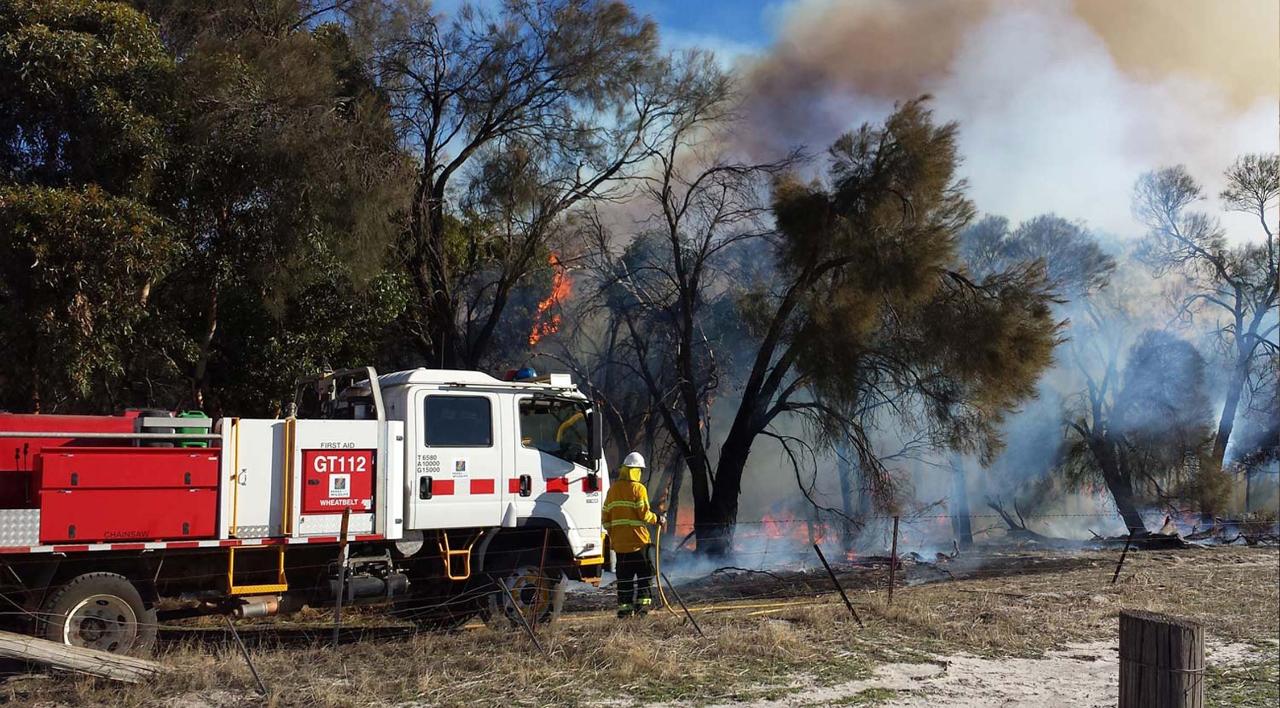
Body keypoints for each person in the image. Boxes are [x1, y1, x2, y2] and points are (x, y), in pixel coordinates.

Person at [602, 451, 663, 618]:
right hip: (639, 544)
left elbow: (605, 518)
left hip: (620, 547)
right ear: (635, 471)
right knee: (645, 577)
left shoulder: (613, 490)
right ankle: (642, 611)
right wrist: (658, 519)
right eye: (639, 471)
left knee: (624, 581)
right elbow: (644, 515)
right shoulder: (638, 489)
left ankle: (624, 612)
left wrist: (614, 533)